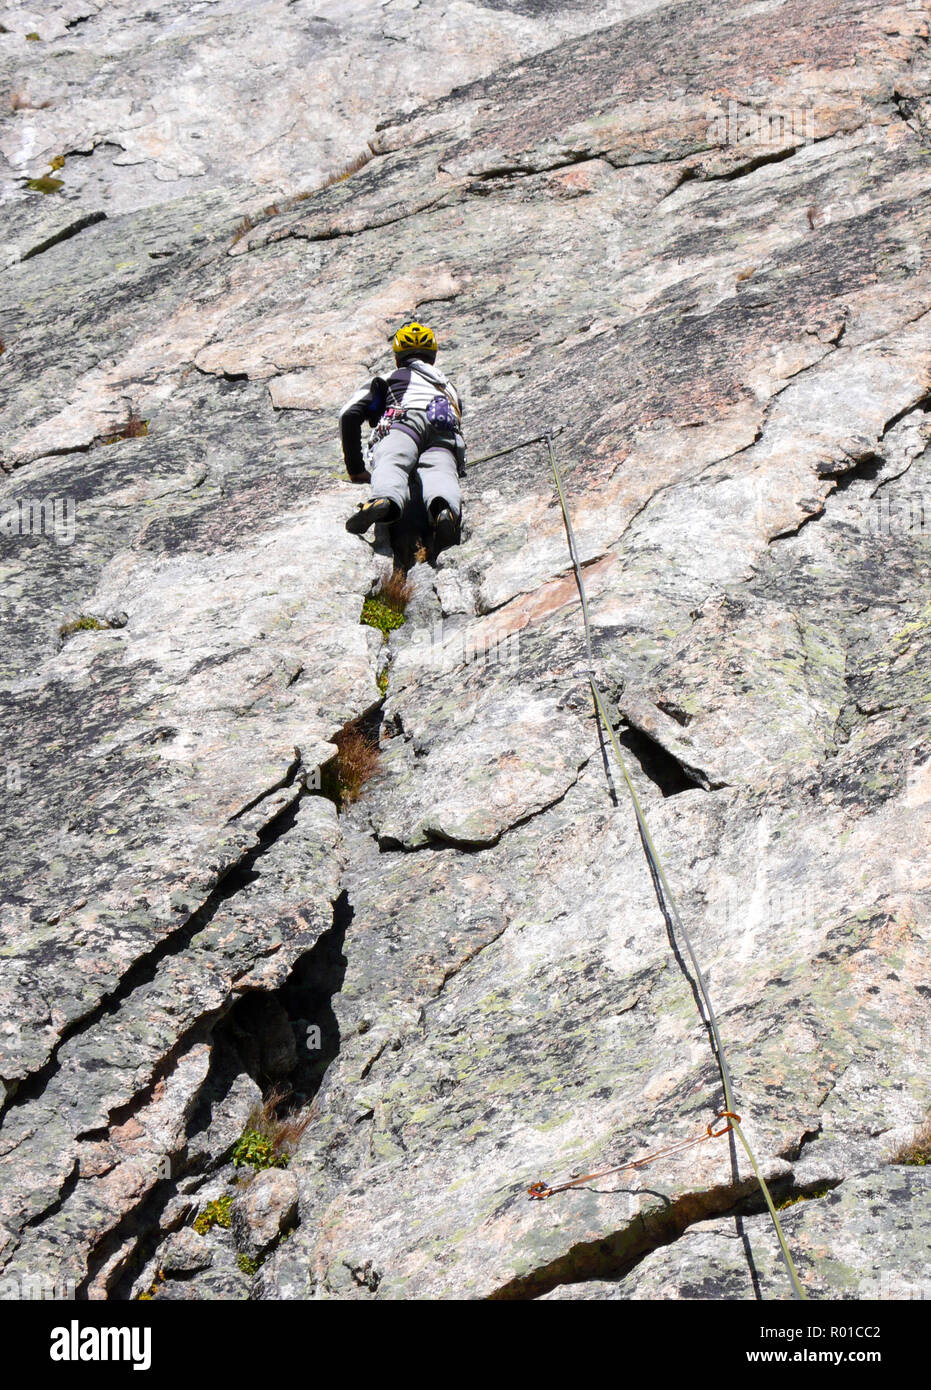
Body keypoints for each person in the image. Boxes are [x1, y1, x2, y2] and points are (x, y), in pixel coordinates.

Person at [340, 321, 465, 550]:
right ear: (433, 356)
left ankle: (385, 499)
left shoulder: (389, 378)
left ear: (398, 357)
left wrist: (356, 469)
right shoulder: (447, 386)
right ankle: (444, 510)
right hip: (445, 431)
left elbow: (349, 414)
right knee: (440, 470)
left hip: (403, 424)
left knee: (393, 461)